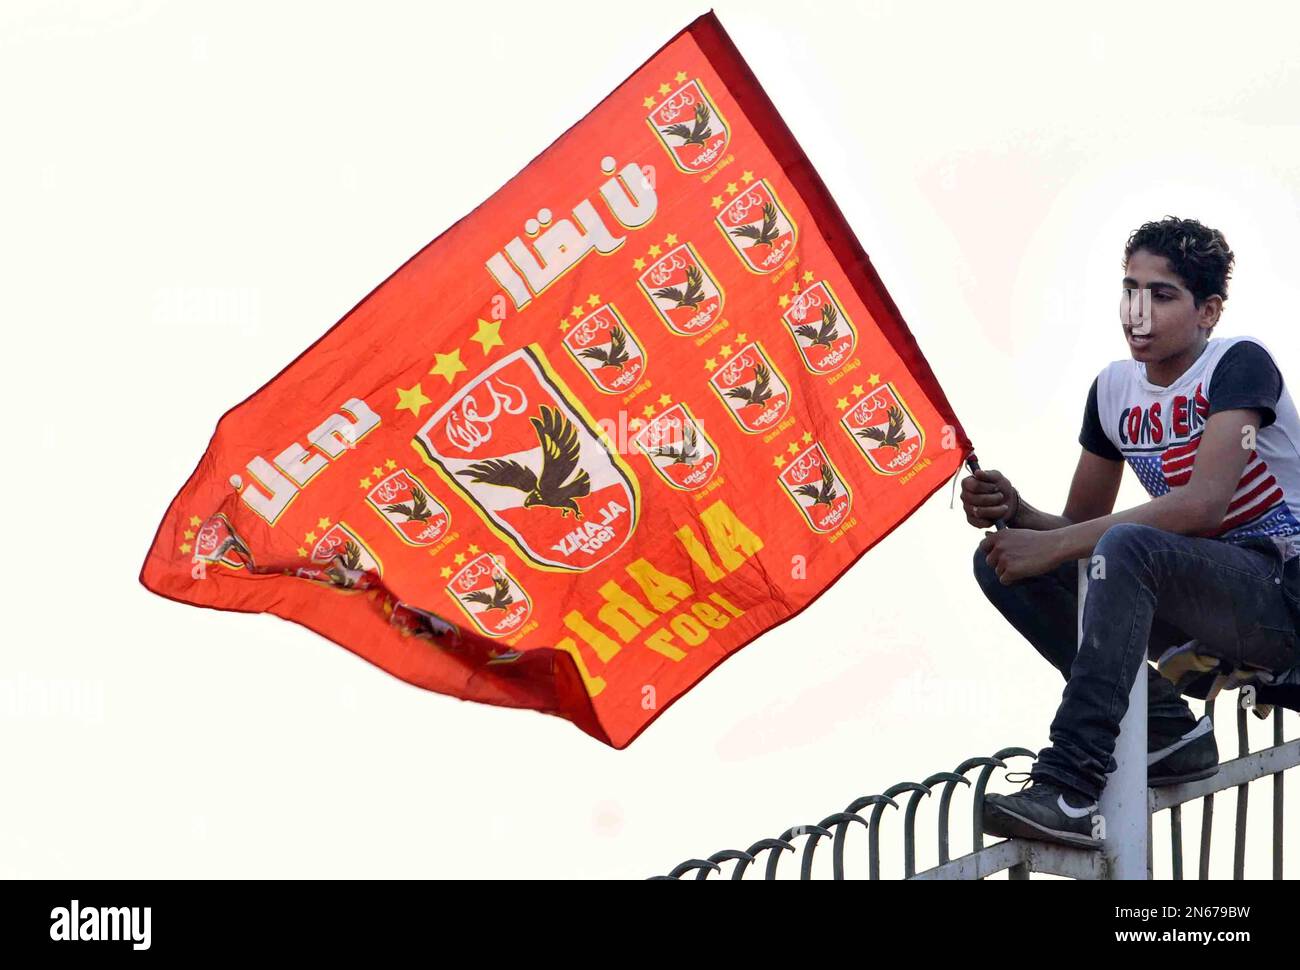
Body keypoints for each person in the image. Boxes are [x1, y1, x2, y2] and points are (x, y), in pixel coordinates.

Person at [962, 216, 1300, 850]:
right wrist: (1018, 511)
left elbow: (1202, 506)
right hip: (1200, 606)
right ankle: (1170, 729)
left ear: (1209, 311)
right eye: (1131, 291)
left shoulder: (1239, 365)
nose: (1139, 314)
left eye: (1163, 296)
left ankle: (1070, 786)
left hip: (1284, 599)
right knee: (1001, 561)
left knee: (1118, 548)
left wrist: (1055, 545)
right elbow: (1077, 530)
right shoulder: (1114, 391)